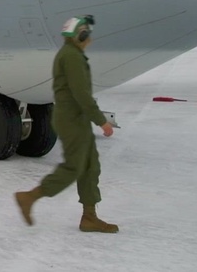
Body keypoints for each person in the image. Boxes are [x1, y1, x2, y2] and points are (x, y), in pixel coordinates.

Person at [14, 15, 119, 233]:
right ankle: (29, 197)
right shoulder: (71, 57)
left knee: (90, 166)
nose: (89, 37)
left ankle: (89, 217)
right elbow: (81, 94)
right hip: (71, 120)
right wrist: (102, 121)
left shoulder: (73, 54)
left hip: (76, 118)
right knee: (74, 167)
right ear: (81, 35)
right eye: (86, 33)